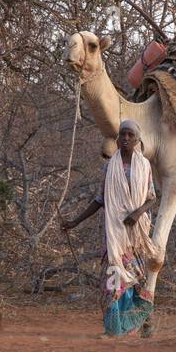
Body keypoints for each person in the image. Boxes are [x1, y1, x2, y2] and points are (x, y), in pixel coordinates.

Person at [61, 120, 159, 337]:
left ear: (137, 139)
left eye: (130, 135)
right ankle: (112, 328)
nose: (125, 139)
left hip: (136, 232)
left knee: (136, 277)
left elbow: (152, 197)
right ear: (117, 139)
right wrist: (75, 221)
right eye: (122, 135)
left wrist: (137, 213)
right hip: (114, 230)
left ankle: (144, 322)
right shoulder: (109, 167)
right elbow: (100, 199)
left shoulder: (144, 166)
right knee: (113, 276)